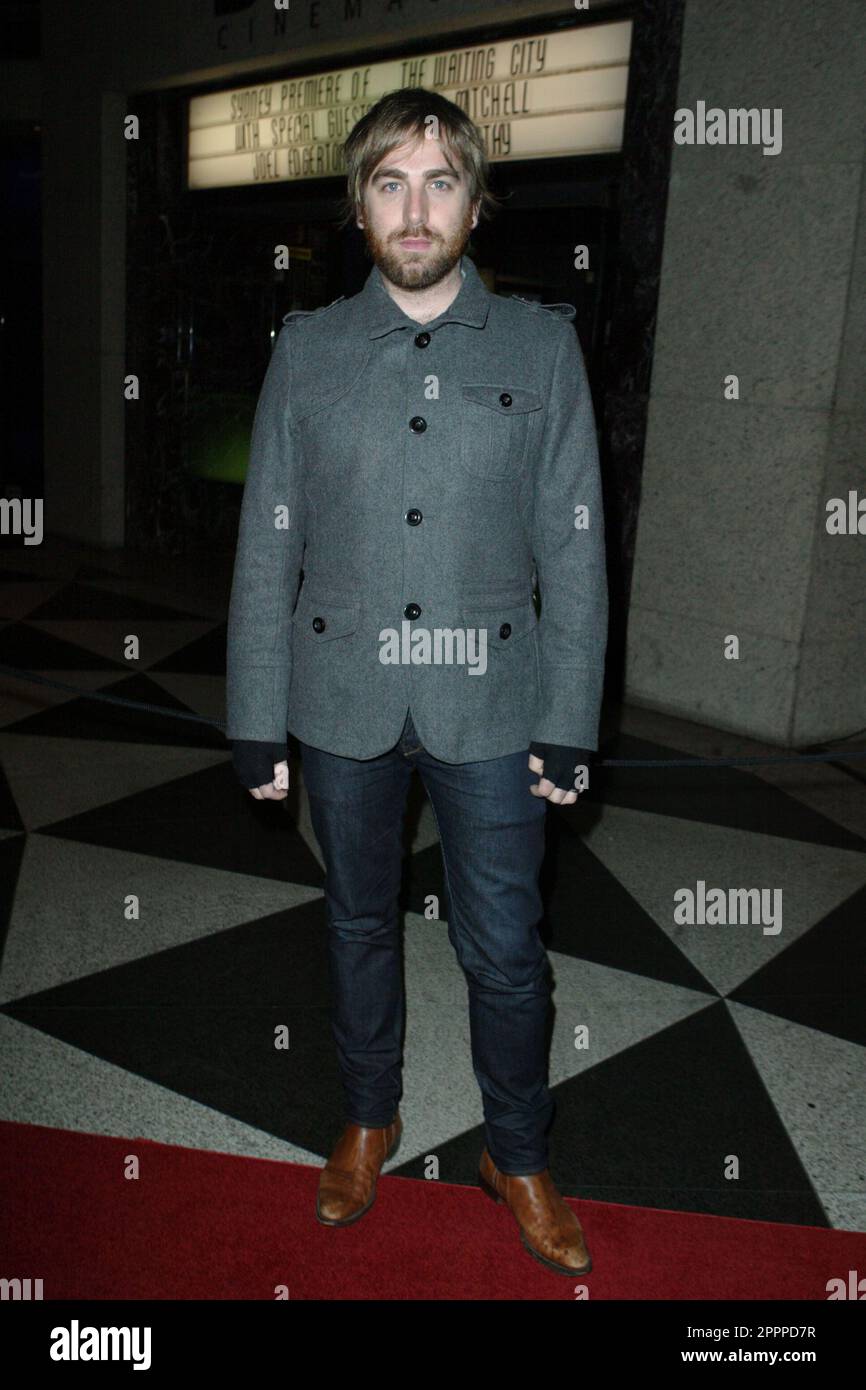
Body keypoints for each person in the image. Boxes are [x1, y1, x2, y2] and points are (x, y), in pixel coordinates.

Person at [226, 87, 608, 1277]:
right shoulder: (309, 347)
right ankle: (369, 1113)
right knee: (354, 923)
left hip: (494, 700)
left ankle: (517, 1150)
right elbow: (266, 543)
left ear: (476, 202)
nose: (414, 206)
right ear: (358, 205)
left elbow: (575, 547)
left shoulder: (541, 347)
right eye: (389, 182)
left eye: (440, 180)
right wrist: (254, 713)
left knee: (504, 946)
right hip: (339, 696)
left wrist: (569, 721)